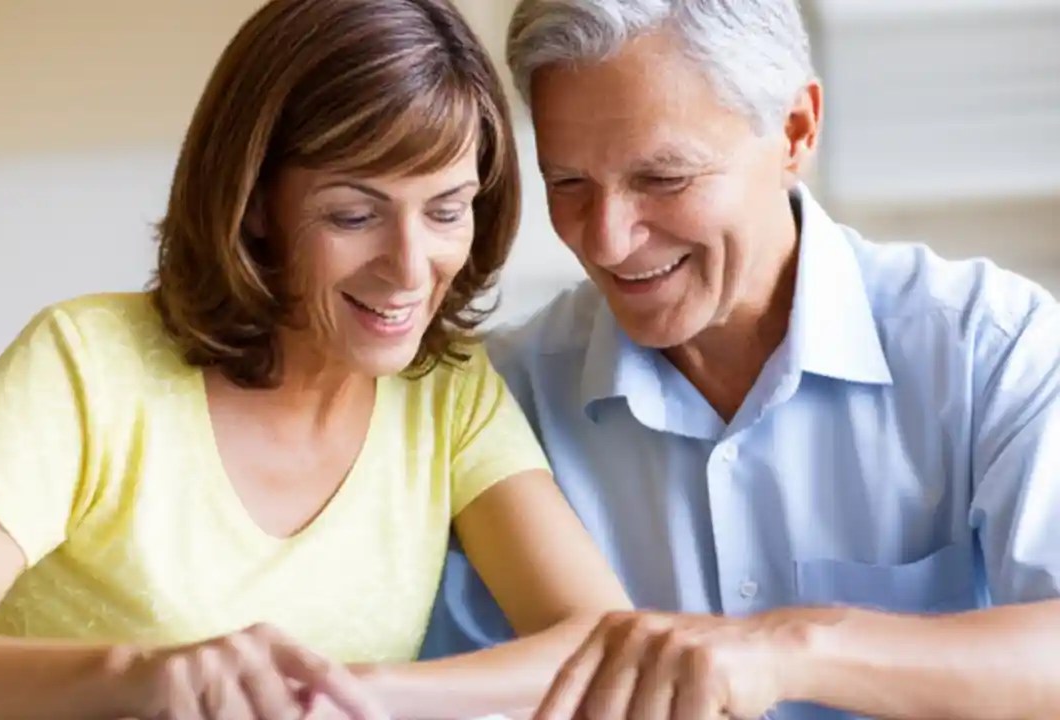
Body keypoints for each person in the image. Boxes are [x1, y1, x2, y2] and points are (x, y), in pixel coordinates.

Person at [0, 1, 633, 718]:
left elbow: (603, 645)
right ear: (256, 206)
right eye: (354, 216)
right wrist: (143, 678)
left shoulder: (448, 392)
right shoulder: (87, 365)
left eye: (447, 211)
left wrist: (356, 694)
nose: (411, 269)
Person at [422, 0, 1060, 718]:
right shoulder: (505, 401)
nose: (607, 240)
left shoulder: (989, 347)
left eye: (663, 178)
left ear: (795, 131)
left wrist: (792, 650)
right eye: (568, 184)